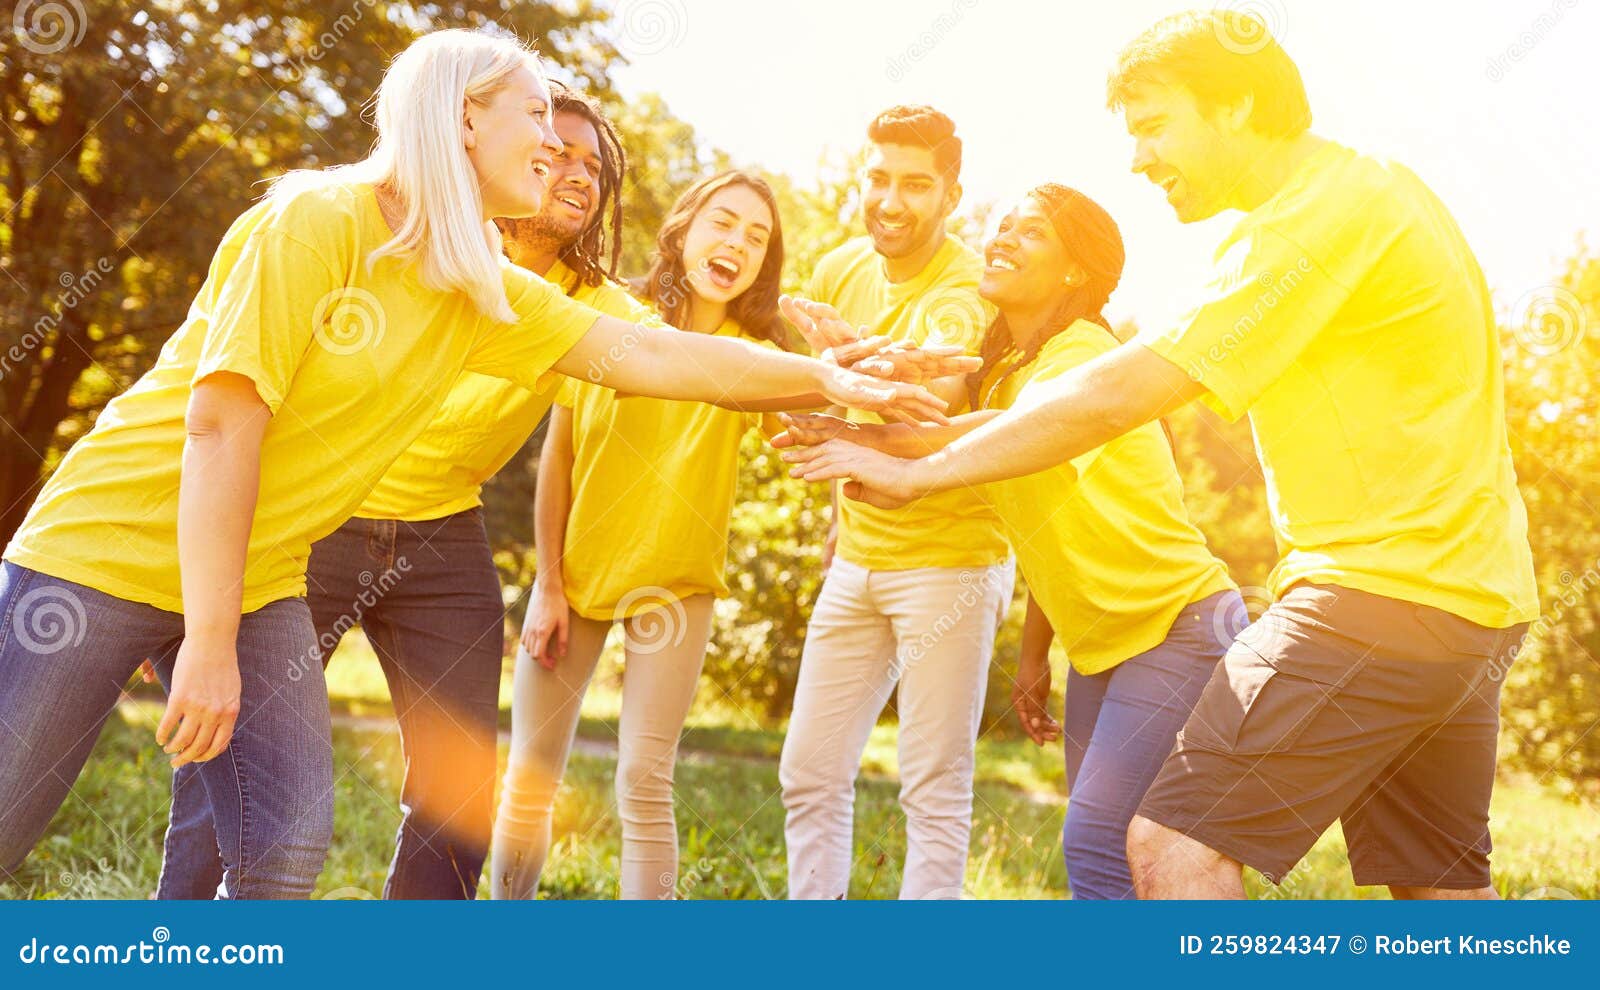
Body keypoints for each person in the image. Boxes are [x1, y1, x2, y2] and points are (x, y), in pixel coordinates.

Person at [0, 29, 948, 898]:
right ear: (462, 118)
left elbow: (663, 357)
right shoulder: (317, 219)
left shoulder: (480, 289)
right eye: (535, 116)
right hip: (106, 553)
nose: (553, 142)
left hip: (258, 578)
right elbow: (219, 428)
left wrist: (831, 379)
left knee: (284, 843)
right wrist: (208, 645)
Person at [778, 11, 1538, 900]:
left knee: (1170, 845)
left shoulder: (1308, 222)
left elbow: (1115, 394)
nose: (1140, 158)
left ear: (1238, 104)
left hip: (1378, 595)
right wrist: (889, 426)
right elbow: (1032, 409)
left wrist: (915, 468)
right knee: (1442, 898)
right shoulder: (1382, 188)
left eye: (1154, 126)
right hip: (1474, 599)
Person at [154, 85, 634, 900]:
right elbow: (232, 408)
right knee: (226, 751)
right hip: (316, 520)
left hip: (443, 537)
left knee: (461, 787)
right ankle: (186, 943)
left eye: (596, 166)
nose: (579, 174)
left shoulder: (590, 305)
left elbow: (679, 354)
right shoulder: (417, 243)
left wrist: (822, 382)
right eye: (558, 152)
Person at [778, 183, 1242, 898]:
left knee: (1098, 841)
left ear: (1076, 270)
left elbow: (971, 435)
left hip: (1177, 628)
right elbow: (1054, 528)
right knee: (1114, 854)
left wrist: (862, 440)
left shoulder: (1082, 356)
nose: (1000, 239)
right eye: (1001, 226)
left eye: (1030, 232)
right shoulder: (1011, 373)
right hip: (1102, 648)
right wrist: (1033, 655)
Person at [493, 171, 787, 900]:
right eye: (723, 222)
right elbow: (558, 458)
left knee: (645, 783)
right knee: (529, 779)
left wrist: (848, 363)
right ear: (683, 228)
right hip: (576, 577)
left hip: (676, 585)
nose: (737, 244)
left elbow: (812, 433)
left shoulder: (757, 355)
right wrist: (548, 587)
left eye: (756, 238)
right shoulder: (607, 315)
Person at [777, 105, 1015, 901]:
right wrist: (835, 523)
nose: (890, 200)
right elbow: (820, 405)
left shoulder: (967, 287)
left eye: (915, 184)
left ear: (951, 194)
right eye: (878, 178)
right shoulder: (841, 268)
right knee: (808, 771)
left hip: (950, 563)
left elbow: (932, 408)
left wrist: (851, 358)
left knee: (932, 787)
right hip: (859, 556)